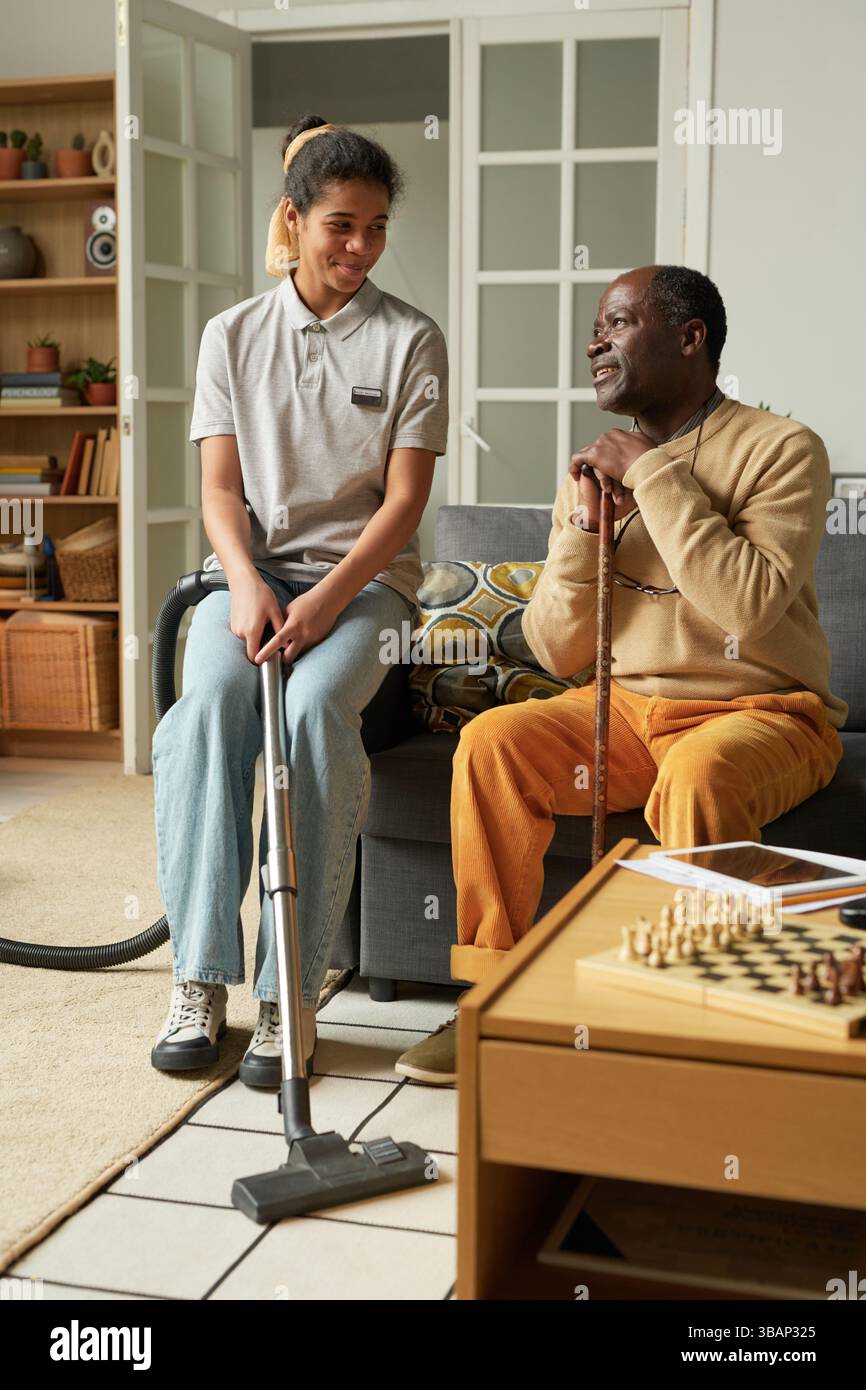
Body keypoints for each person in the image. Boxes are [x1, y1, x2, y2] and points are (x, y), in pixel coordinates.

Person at [394, 264, 846, 1085]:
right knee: (494, 743)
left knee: (700, 775)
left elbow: (746, 607)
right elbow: (560, 652)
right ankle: (489, 998)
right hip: (627, 708)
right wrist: (580, 531)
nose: (595, 341)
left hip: (766, 710)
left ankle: (686, 1018)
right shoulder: (598, 466)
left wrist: (655, 475)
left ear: (689, 337)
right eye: (596, 326)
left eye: (618, 322)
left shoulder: (784, 450)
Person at [150, 115, 449, 1085]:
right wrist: (242, 582)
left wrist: (323, 602)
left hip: (366, 588)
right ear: (295, 219)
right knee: (206, 715)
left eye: (374, 227)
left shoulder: (411, 340)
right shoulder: (230, 335)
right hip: (248, 575)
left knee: (317, 710)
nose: (358, 247)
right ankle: (197, 981)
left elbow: (402, 504)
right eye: (339, 225)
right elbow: (216, 491)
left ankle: (292, 993)